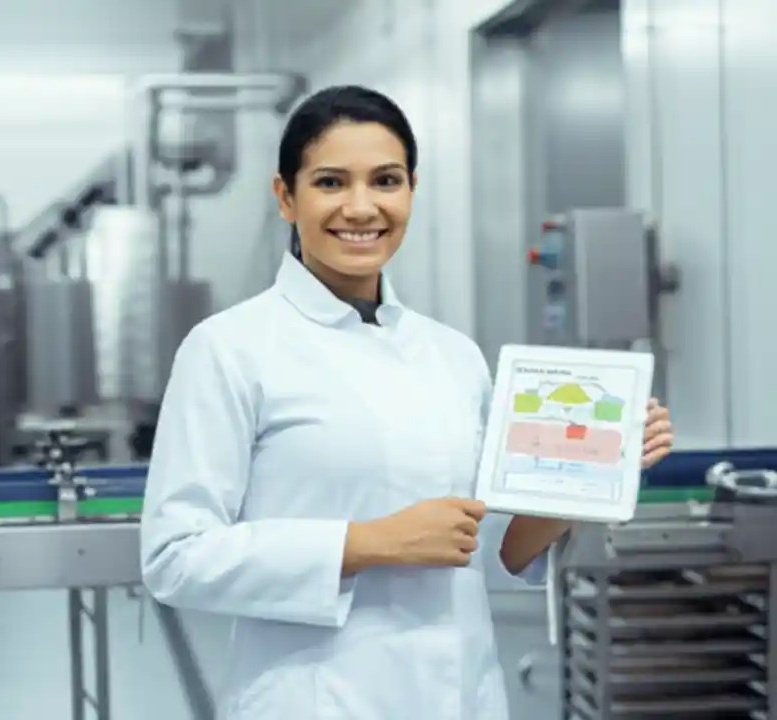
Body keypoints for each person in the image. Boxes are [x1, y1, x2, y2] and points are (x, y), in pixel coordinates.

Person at [138, 85, 675, 719]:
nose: (361, 208)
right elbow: (176, 557)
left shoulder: (452, 354)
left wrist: (595, 472)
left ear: (411, 190)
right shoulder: (230, 348)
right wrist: (368, 541)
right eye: (332, 182)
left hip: (460, 696)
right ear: (286, 196)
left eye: (385, 181)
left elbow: (492, 550)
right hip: (316, 700)